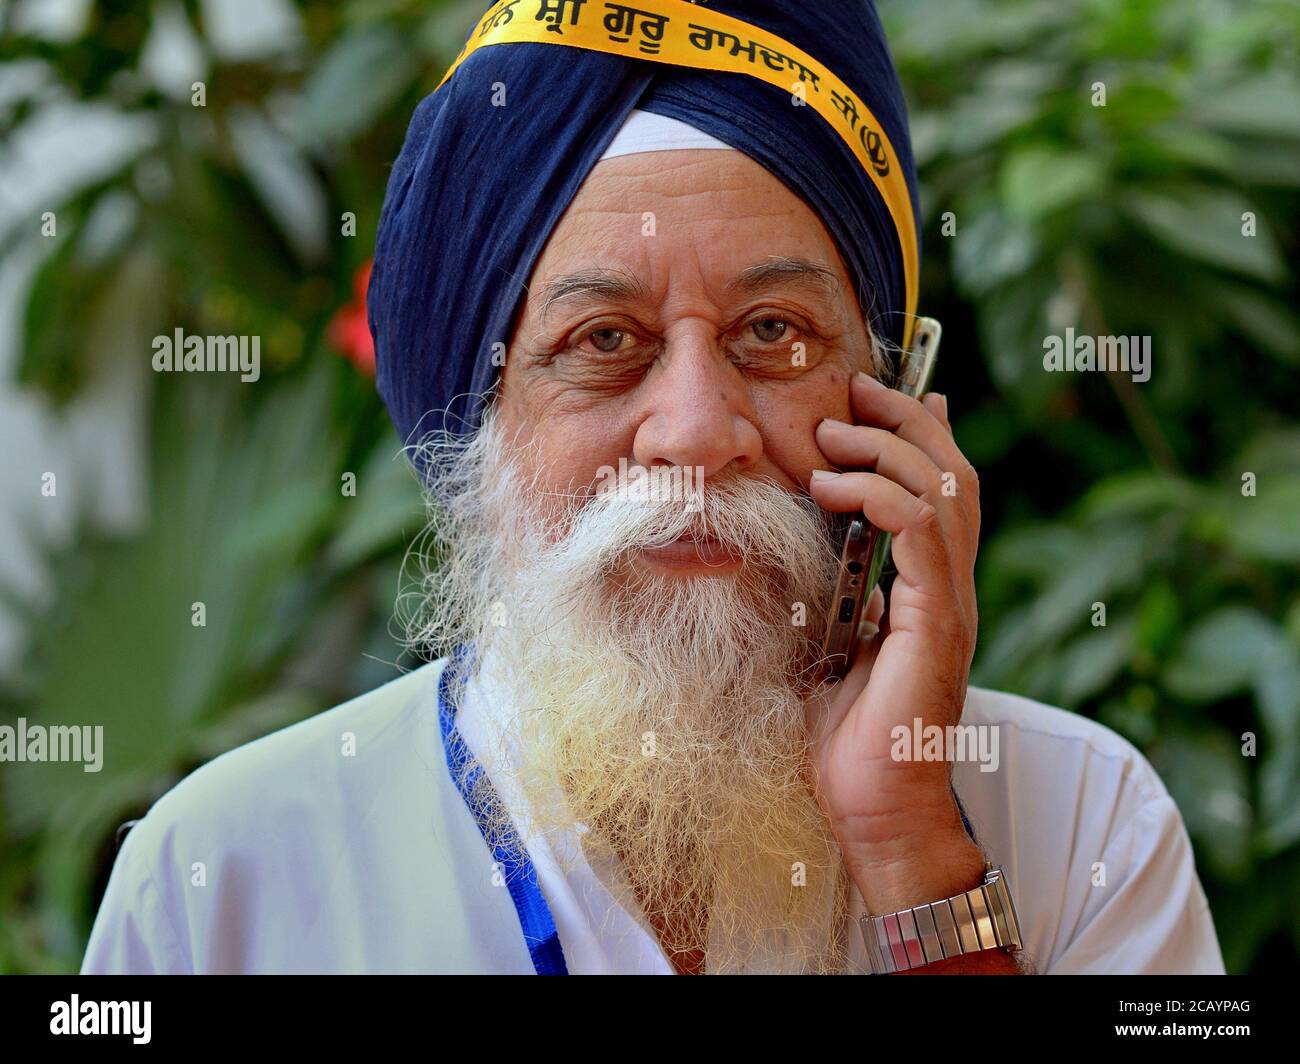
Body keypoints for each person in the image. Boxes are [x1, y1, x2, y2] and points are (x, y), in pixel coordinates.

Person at [82, 0, 1224, 975]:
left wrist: (912, 844)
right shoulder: (217, 883)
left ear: (893, 394)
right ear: (478, 418)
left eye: (771, 332)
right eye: (605, 339)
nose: (693, 430)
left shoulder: (1085, 818)